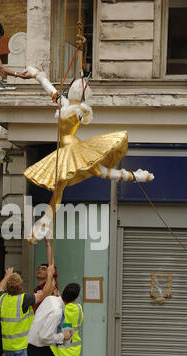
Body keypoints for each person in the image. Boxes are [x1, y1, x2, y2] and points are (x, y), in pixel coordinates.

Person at [23, 66, 154, 244]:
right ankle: (44, 221)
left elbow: (51, 89)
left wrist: (38, 76)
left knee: (89, 175)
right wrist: (38, 76)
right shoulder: (71, 106)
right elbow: (50, 89)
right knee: (67, 183)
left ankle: (135, 176)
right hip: (67, 148)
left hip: (71, 148)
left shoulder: (68, 106)